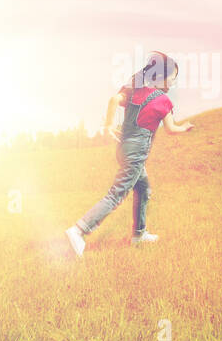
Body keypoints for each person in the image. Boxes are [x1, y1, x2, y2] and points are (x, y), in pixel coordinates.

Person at [65, 51, 193, 257]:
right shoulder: (163, 101)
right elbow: (171, 128)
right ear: (160, 76)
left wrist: (107, 125)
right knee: (116, 195)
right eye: (172, 76)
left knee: (143, 189)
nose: (174, 81)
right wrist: (184, 127)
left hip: (123, 148)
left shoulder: (133, 90)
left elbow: (114, 100)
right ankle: (79, 230)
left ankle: (139, 235)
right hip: (136, 154)